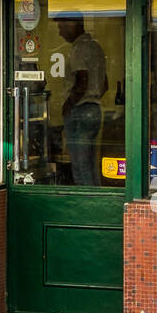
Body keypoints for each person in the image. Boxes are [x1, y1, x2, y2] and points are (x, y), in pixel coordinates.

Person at [57, 15, 108, 186]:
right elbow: (105, 84)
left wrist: (68, 105)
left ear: (73, 25)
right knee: (91, 163)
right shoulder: (96, 48)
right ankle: (97, 199)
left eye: (62, 28)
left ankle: (87, 200)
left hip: (80, 110)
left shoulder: (79, 49)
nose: (60, 32)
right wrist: (92, 98)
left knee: (80, 165)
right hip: (94, 108)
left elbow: (82, 80)